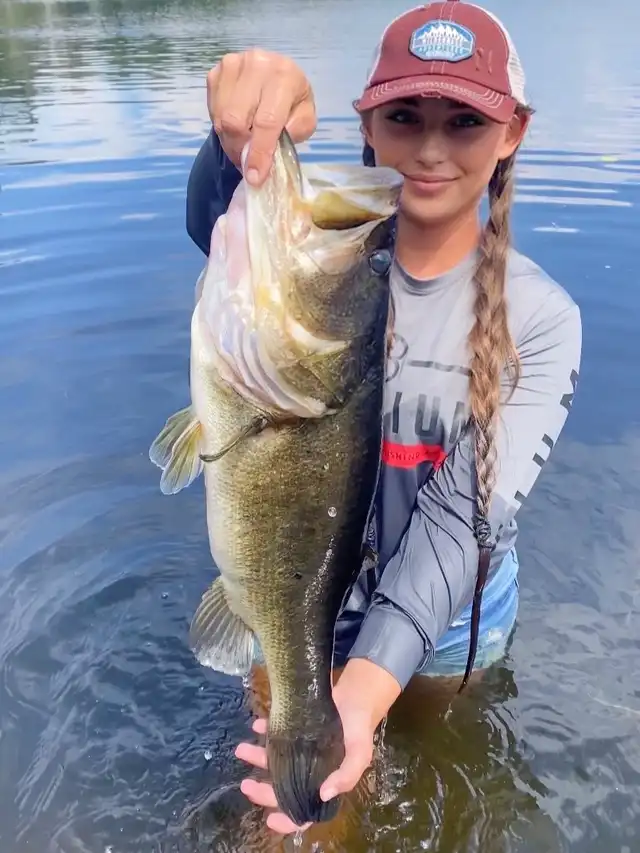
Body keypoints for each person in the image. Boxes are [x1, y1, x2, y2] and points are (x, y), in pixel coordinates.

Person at [185, 0, 582, 837]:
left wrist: (363, 697)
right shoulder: (326, 246)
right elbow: (220, 219)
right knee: (296, 815)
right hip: (293, 601)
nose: (431, 148)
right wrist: (239, 144)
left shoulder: (542, 321)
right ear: (366, 122)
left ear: (512, 132)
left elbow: (462, 521)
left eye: (464, 121)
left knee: (435, 763)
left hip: (451, 624)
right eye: (404, 116)